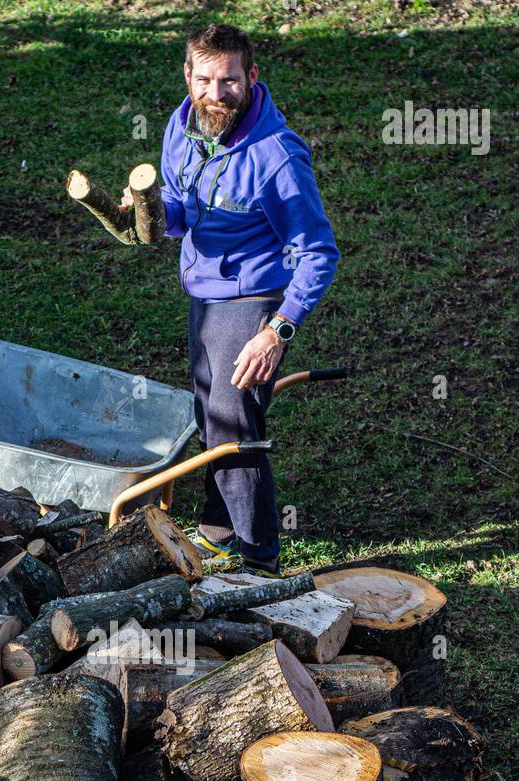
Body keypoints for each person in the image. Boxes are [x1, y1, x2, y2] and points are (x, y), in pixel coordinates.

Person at [127, 23, 338, 575]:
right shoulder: (183, 125)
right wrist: (147, 207)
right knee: (212, 413)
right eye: (205, 80)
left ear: (251, 78)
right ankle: (219, 532)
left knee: (232, 428)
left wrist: (277, 330)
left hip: (254, 298)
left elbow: (319, 252)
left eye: (229, 81)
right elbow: (180, 207)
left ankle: (258, 560)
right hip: (205, 292)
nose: (216, 94)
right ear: (188, 75)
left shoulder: (277, 157)